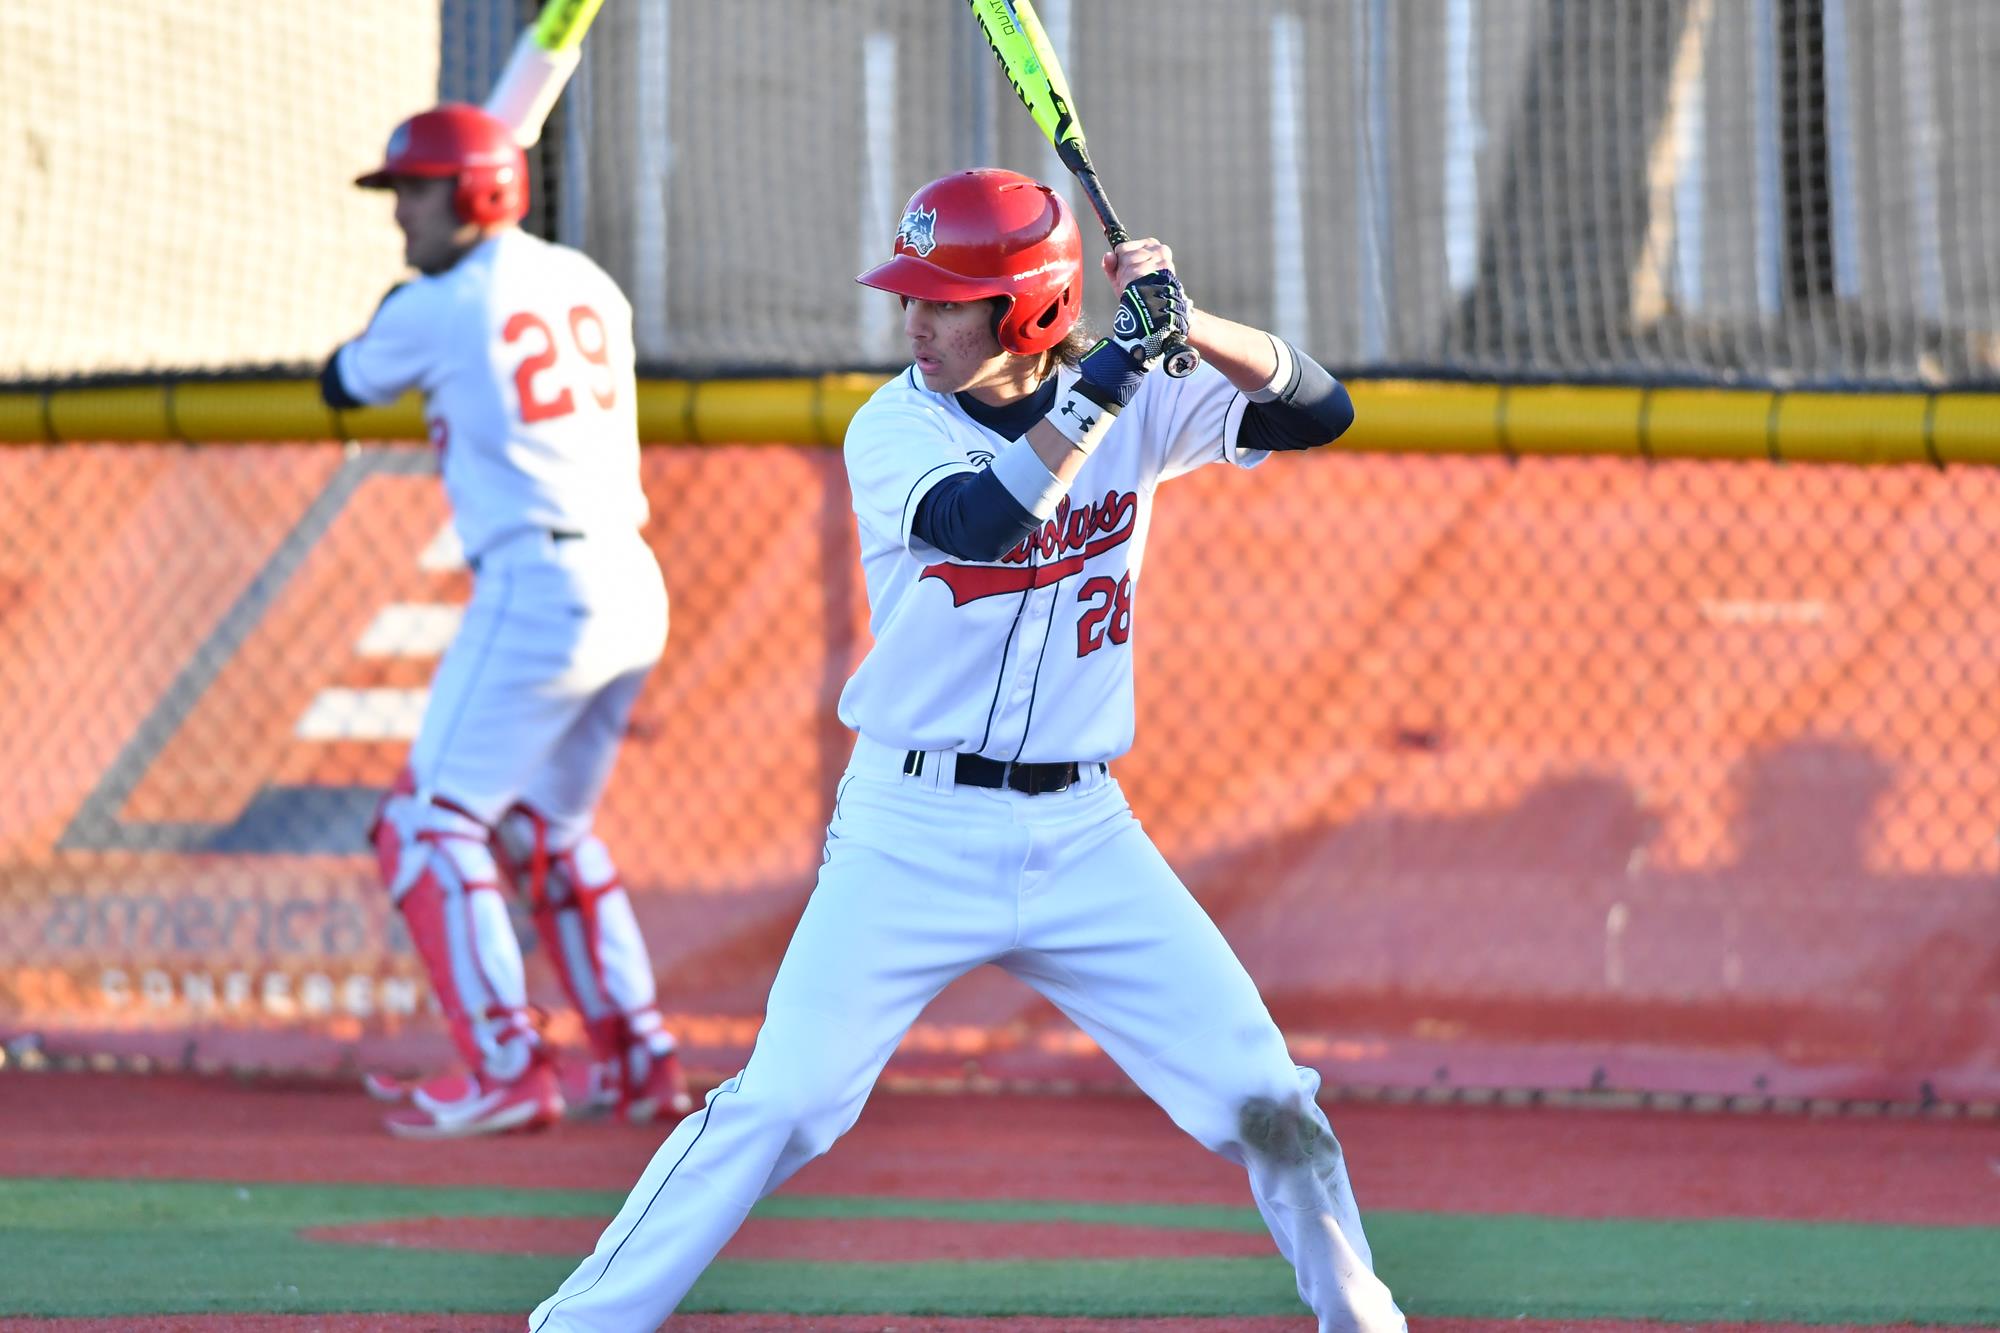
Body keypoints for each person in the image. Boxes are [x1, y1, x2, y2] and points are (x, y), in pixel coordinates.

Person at [528, 168, 1404, 1329]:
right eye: (914, 295)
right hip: (911, 827)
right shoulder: (894, 422)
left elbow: (1319, 411)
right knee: (782, 1105)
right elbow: (982, 524)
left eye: (946, 300)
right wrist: (1109, 375)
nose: (915, 319)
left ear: (1027, 310)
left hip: (1085, 832)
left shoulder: (1136, 390)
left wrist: (1189, 330)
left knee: (1269, 1102)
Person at [321, 103, 692, 1139]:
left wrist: (404, 301)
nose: (402, 215)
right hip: (629, 575)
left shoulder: (438, 302)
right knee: (544, 830)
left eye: (415, 191)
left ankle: (504, 1065)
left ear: (476, 190)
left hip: (538, 584)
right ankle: (637, 1057)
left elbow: (340, 381)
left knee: (424, 823)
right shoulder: (586, 279)